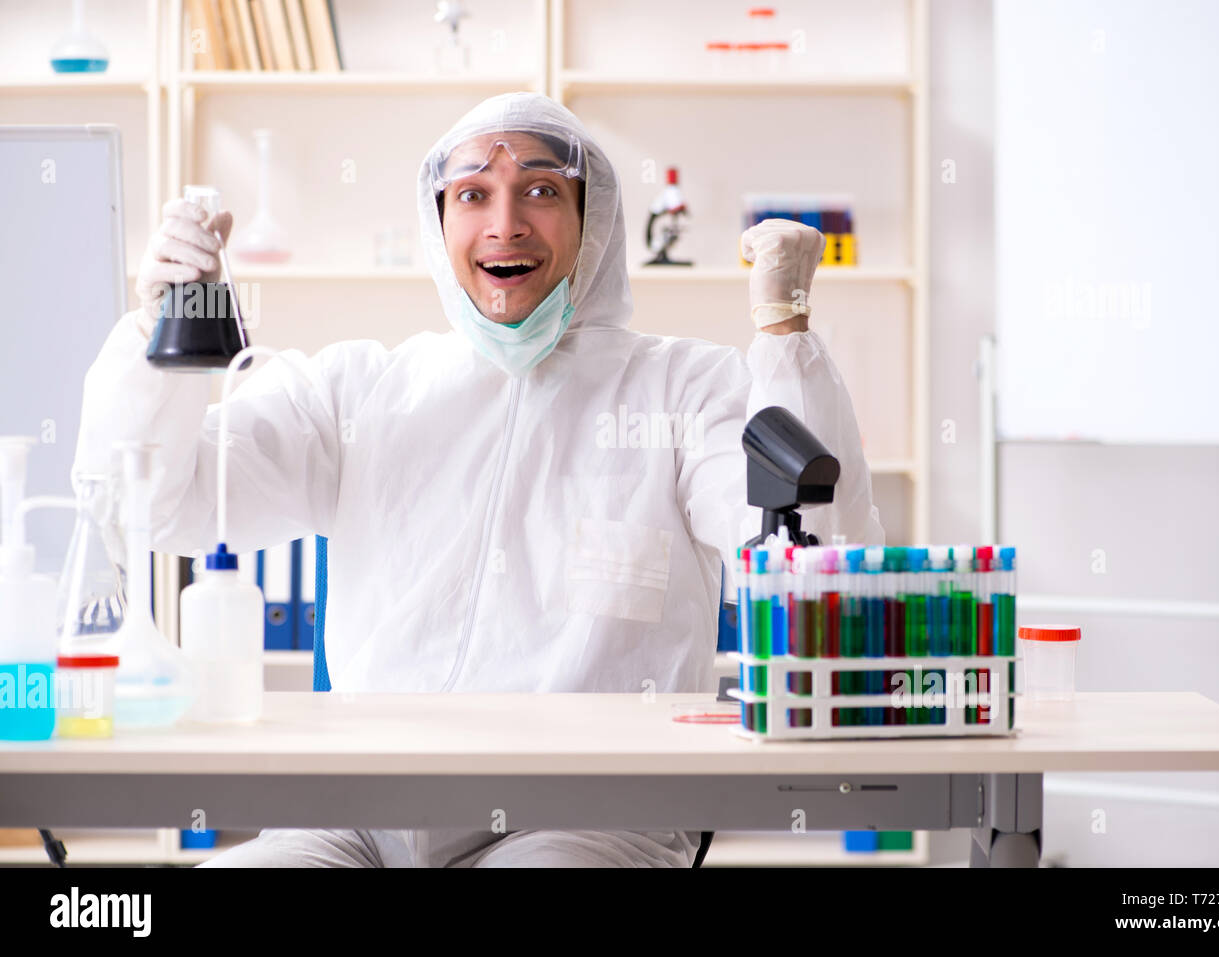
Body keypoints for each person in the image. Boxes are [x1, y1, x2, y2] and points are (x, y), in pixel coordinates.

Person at [73, 92, 886, 867]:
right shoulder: (358, 391)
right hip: (355, 817)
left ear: (588, 219)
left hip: (583, 818)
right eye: (472, 194)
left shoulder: (681, 391)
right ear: (440, 223)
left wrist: (785, 336)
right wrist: (156, 332)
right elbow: (153, 505)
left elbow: (814, 559)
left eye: (538, 189)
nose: (505, 224)